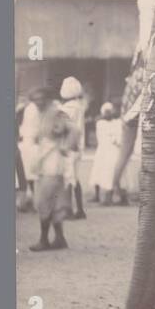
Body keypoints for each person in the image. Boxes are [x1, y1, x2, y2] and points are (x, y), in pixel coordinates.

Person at [28, 99, 80, 252]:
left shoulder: (56, 113)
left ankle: (44, 239)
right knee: (54, 203)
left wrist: (66, 146)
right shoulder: (45, 114)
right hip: (48, 162)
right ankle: (59, 238)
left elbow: (74, 130)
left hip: (53, 163)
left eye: (39, 97)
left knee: (44, 201)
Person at [59, 76, 87, 219]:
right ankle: (80, 209)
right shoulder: (79, 106)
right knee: (75, 177)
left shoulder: (66, 108)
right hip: (78, 145)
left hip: (68, 145)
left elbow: (64, 128)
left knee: (68, 178)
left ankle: (68, 210)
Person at [90, 102, 124, 206]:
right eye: (106, 112)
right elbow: (102, 138)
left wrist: (115, 139)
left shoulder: (117, 122)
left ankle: (116, 196)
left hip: (113, 151)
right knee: (97, 173)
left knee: (112, 173)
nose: (108, 114)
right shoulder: (100, 123)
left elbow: (119, 137)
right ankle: (97, 195)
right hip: (103, 151)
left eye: (110, 111)